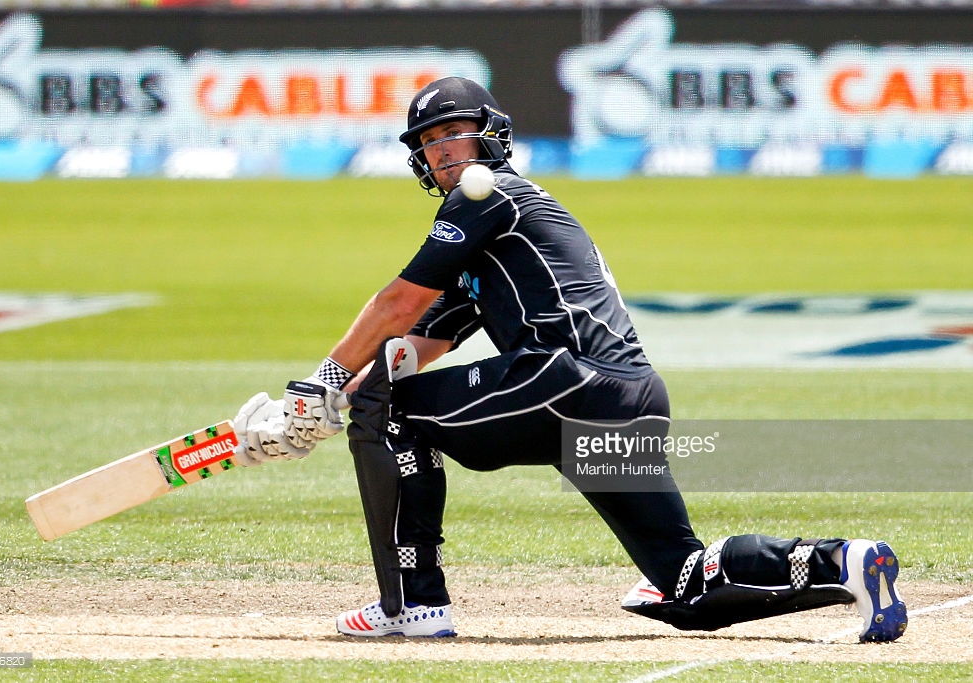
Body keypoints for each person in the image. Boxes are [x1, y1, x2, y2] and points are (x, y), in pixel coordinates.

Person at [232, 76, 907, 642]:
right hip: (626, 395)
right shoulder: (490, 246)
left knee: (396, 415)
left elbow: (397, 302)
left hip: (565, 381)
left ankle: (412, 604)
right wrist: (319, 415)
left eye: (454, 134)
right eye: (431, 144)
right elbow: (415, 344)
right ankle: (846, 562)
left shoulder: (488, 195)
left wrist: (318, 384)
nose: (444, 153)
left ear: (491, 134)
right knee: (684, 583)